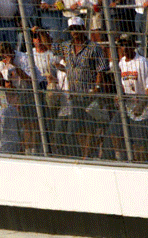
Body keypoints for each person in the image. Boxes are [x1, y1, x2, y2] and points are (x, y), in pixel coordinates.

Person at [51, 15, 108, 158]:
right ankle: (85, 153)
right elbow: (51, 46)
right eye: (71, 29)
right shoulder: (67, 46)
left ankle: (88, 154)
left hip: (89, 93)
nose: (74, 32)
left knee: (89, 126)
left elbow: (101, 70)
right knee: (74, 129)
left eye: (76, 29)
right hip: (74, 95)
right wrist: (39, 33)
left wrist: (96, 88)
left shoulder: (94, 47)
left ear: (83, 29)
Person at [102, 35, 148, 161]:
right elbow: (124, 85)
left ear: (133, 45)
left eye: (127, 44)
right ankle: (120, 156)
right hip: (128, 105)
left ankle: (141, 162)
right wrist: (120, 96)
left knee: (139, 142)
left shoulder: (141, 62)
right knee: (113, 130)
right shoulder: (121, 63)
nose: (124, 48)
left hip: (142, 107)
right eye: (122, 45)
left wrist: (141, 105)